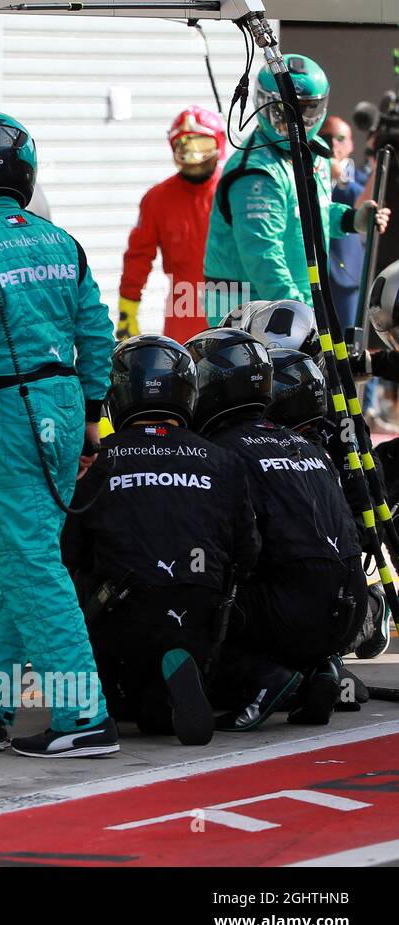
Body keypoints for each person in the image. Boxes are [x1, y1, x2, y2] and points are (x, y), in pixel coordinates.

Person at [0, 110, 118, 758]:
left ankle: (82, 715)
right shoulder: (63, 243)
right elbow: (97, 335)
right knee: (19, 553)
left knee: (33, 560)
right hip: (66, 405)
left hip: (12, 412)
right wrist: (92, 420)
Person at [62, 335, 259, 745]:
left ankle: (128, 691)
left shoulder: (96, 461)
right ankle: (178, 672)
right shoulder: (223, 460)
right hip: (202, 610)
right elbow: (248, 551)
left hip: (124, 609)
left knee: (128, 705)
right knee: (157, 712)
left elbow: (70, 551)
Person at [188, 327, 366, 729]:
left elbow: (231, 546)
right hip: (347, 608)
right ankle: (319, 670)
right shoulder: (309, 445)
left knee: (192, 591)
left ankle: (261, 680)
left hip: (292, 606)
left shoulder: (220, 452)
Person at [203, 56, 389, 322]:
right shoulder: (256, 172)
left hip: (294, 298)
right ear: (263, 104)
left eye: (307, 111)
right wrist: (302, 313)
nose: (296, 123)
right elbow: (263, 256)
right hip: (248, 308)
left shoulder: (311, 156)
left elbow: (305, 213)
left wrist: (349, 219)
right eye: (285, 112)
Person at [118, 106, 226, 343]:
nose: (194, 157)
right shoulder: (157, 199)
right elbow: (138, 256)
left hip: (234, 303)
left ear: (219, 143)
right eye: (185, 147)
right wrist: (128, 309)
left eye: (201, 146)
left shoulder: (234, 190)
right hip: (184, 310)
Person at [322, 116, 368, 327]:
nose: (333, 144)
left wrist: (341, 180)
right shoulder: (304, 172)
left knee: (347, 344)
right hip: (312, 276)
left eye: (340, 138)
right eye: (326, 137)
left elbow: (364, 203)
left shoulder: (359, 178)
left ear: (350, 144)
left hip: (346, 275)